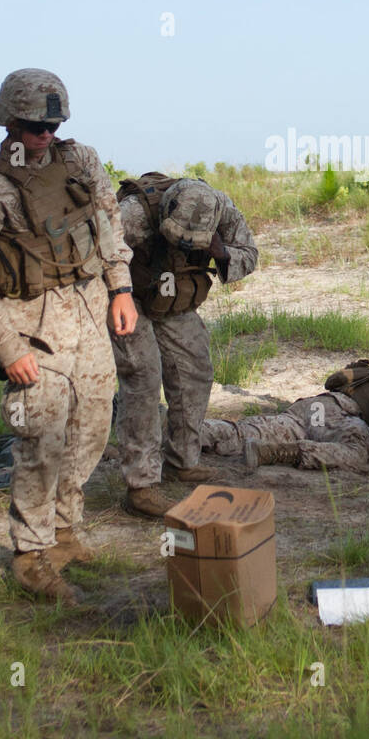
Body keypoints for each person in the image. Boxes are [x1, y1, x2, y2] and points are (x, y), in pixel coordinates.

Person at [0, 69, 137, 604]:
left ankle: (63, 528)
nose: (46, 136)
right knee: (41, 433)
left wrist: (121, 288)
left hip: (88, 309)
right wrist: (6, 348)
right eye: (36, 126)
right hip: (29, 324)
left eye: (53, 125)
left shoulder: (80, 161)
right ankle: (30, 555)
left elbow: (108, 224)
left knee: (95, 418)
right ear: (10, 122)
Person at [112, 173, 257, 516]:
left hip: (174, 301)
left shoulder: (222, 210)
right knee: (144, 380)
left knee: (195, 371)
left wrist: (220, 252)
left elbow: (250, 255)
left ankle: (183, 459)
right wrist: (117, 297)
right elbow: (96, 257)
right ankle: (141, 485)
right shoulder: (131, 214)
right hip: (130, 298)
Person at [201, 358, 369, 478]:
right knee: (358, 453)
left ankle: (189, 431)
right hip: (347, 419)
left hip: (316, 409)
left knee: (248, 431)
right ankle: (282, 453)